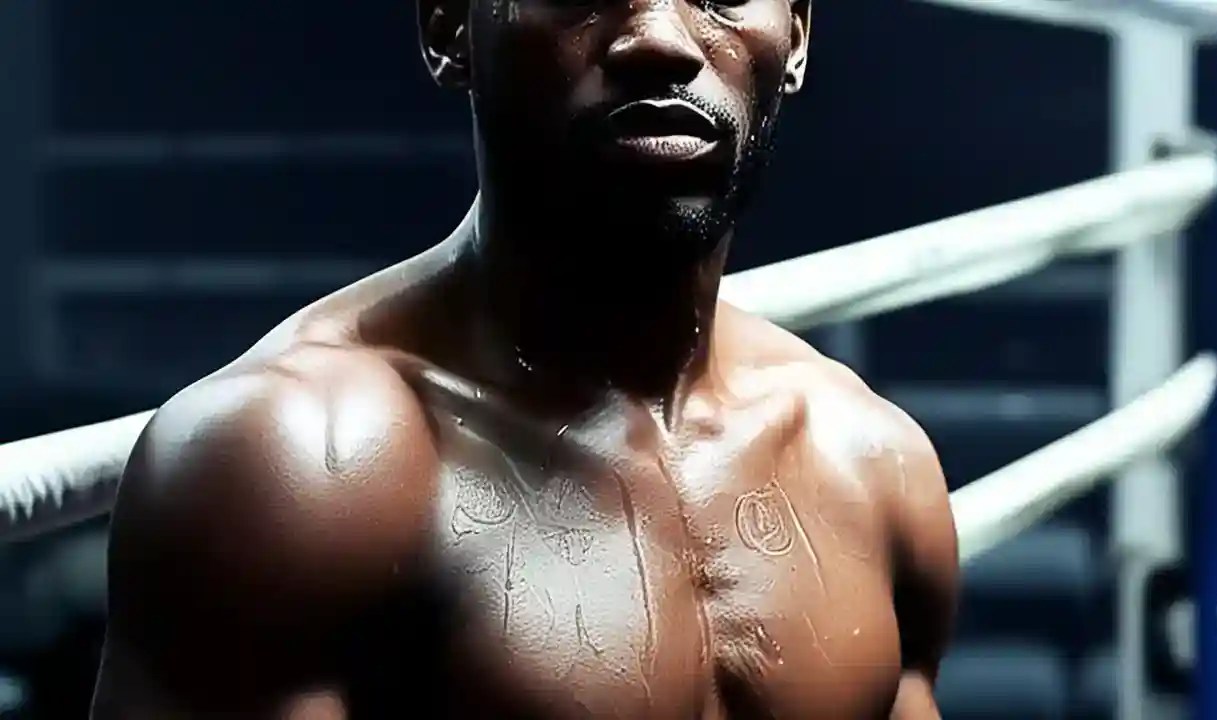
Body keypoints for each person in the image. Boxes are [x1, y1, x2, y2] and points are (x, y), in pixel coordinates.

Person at [90, 0, 958, 717]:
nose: (659, 36)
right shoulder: (294, 468)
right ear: (446, 27)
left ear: (797, 32)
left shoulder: (876, 467)